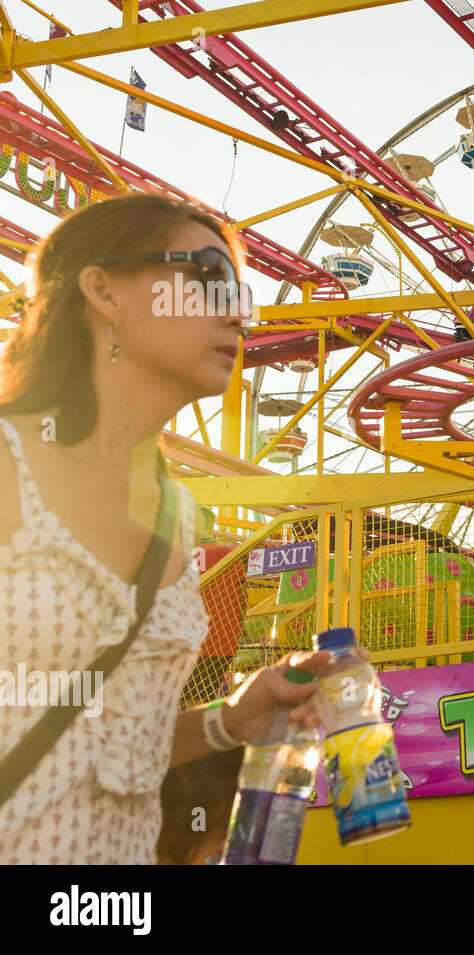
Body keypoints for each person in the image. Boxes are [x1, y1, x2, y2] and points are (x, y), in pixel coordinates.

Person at [0, 193, 336, 865]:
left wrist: (230, 719)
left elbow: (112, 741)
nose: (238, 312)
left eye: (241, 291)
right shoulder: (11, 465)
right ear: (102, 289)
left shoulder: (176, 513)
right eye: (207, 276)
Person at [180, 506, 247, 708]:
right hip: (222, 640)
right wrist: (239, 624)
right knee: (204, 697)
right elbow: (243, 596)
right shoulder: (228, 555)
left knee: (183, 699)